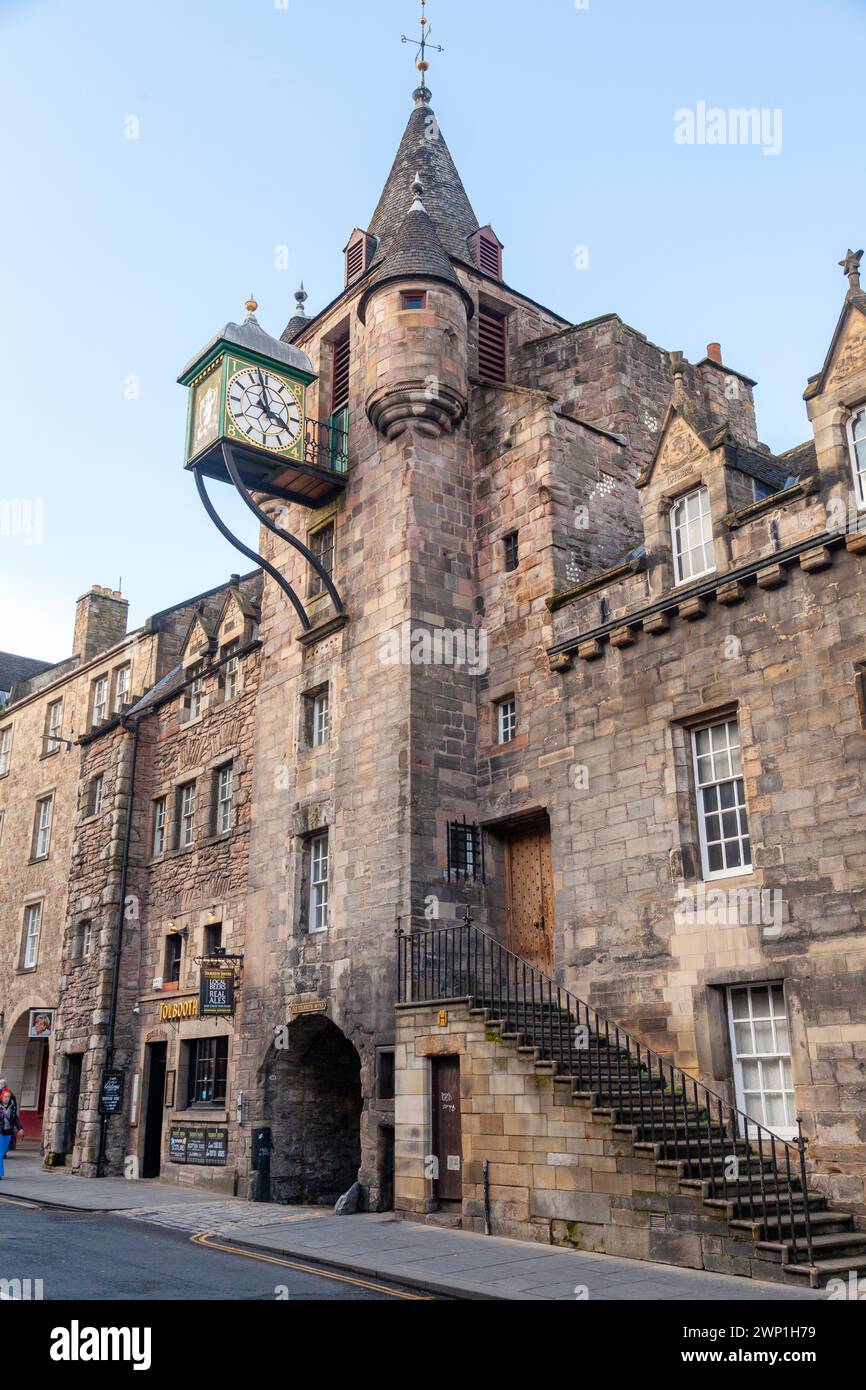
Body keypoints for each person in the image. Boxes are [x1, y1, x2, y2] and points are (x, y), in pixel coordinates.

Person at [0, 1080, 23, 1177]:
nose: (7, 1099)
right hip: (0, 1131)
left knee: (3, 1152)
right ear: (1, 1097)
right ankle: (0, 1173)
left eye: (9, 1097)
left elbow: (15, 1118)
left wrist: (20, 1128)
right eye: (5, 1097)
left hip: (8, 1132)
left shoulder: (12, 1107)